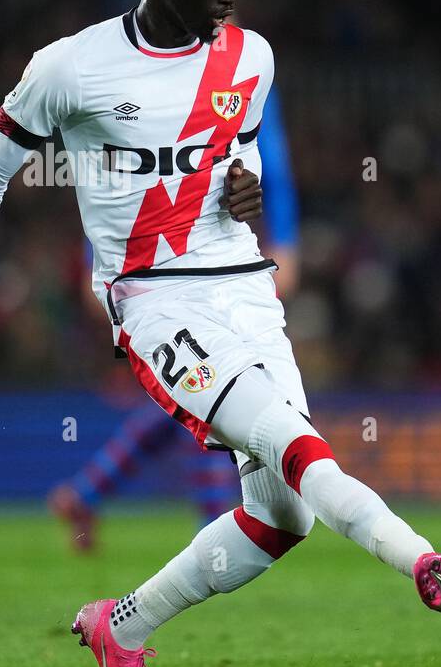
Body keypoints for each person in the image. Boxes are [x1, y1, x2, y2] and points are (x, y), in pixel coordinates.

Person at [0, 0, 441, 667]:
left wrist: (246, 188)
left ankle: (119, 630)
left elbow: (233, 165)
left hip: (244, 286)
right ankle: (426, 564)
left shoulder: (251, 59)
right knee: (296, 443)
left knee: (283, 517)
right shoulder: (71, 68)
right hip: (153, 302)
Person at [47, 88, 300, 550]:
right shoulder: (150, 66)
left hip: (222, 258)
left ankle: (87, 493)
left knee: (190, 391)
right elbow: (119, 168)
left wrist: (282, 238)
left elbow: (270, 161)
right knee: (206, 386)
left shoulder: (246, 64)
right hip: (158, 266)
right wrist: (96, 260)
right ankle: (211, 529)